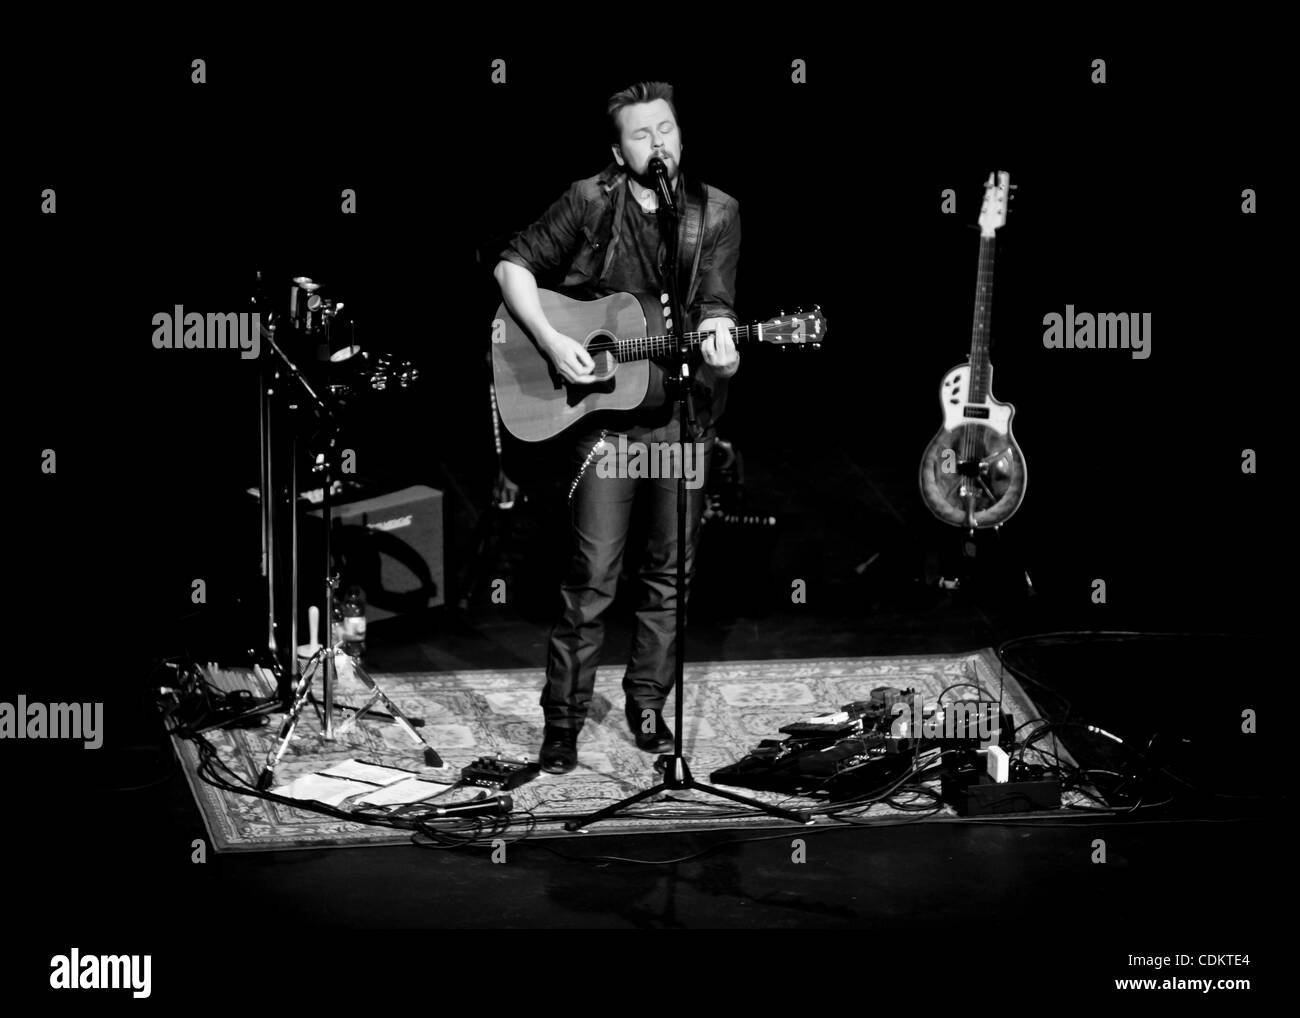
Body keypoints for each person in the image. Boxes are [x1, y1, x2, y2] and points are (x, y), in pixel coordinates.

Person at [494, 80, 741, 773]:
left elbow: (717, 308)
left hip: (677, 424)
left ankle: (647, 702)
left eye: (666, 129)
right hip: (607, 432)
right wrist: (548, 338)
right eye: (641, 134)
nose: (657, 143)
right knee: (594, 572)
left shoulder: (714, 213)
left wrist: (721, 352)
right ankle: (564, 721)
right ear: (617, 149)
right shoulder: (589, 201)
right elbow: (512, 265)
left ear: (680, 136)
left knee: (670, 573)